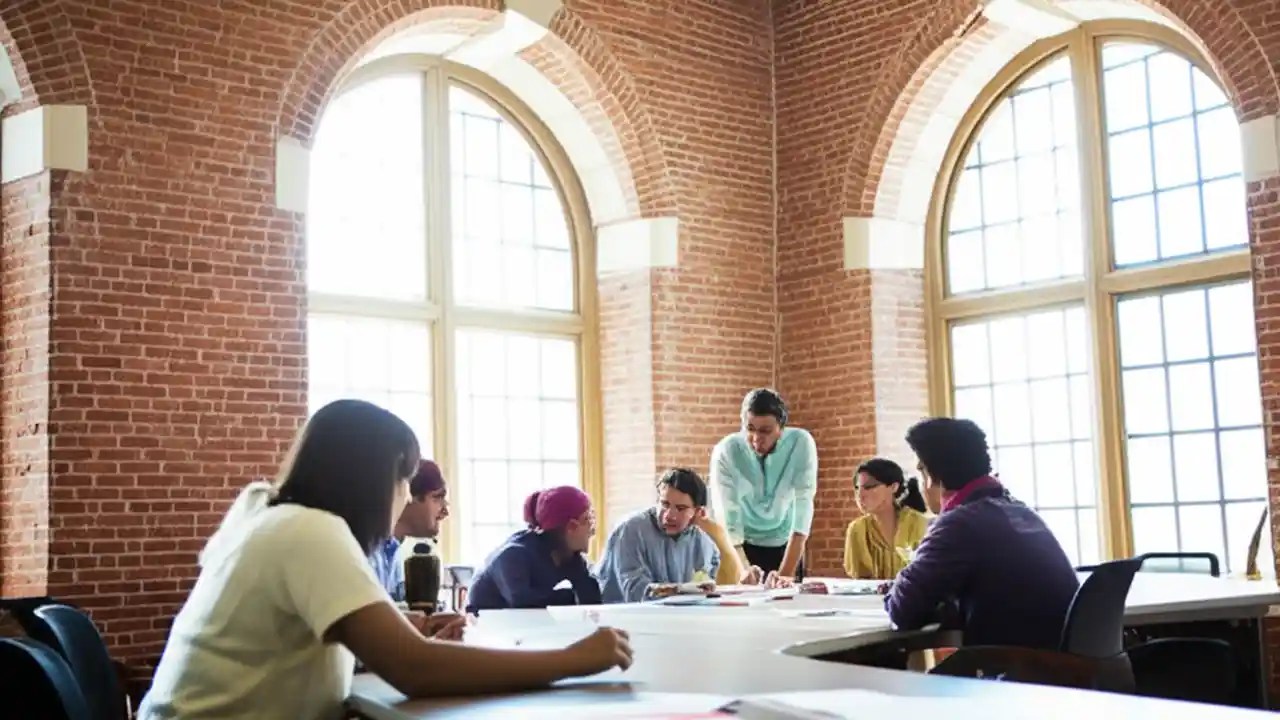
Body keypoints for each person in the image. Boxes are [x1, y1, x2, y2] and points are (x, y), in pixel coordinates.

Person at [138, 400, 631, 720]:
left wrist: (400, 623)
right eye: (405, 481)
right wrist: (573, 660)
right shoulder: (309, 531)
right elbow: (413, 670)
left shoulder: (270, 515)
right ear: (381, 479)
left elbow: (297, 637)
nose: (404, 496)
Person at [885, 418, 1080, 649]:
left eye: (921, 471)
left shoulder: (959, 524)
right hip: (1062, 666)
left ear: (933, 475)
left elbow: (902, 609)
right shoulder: (1017, 509)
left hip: (1015, 670)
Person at [709, 388, 817, 580]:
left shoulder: (801, 443)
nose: (757, 438)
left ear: (781, 428)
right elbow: (728, 516)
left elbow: (803, 508)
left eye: (766, 431)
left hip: (788, 543)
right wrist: (744, 569)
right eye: (750, 429)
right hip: (743, 544)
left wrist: (785, 575)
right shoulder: (726, 451)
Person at [466, 486, 603, 613]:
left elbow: (592, 601)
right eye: (588, 519)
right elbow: (524, 605)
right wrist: (572, 596)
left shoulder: (570, 557)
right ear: (571, 527)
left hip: (521, 631)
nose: (593, 530)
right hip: (482, 629)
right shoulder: (513, 555)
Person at [596, 468, 721, 603]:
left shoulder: (703, 541)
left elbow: (706, 589)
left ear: (698, 512)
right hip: (622, 618)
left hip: (677, 618)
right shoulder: (631, 530)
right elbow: (634, 592)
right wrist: (681, 590)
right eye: (664, 504)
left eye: (680, 509)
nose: (669, 516)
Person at [370, 459, 449, 601]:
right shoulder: (369, 556)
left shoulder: (396, 557)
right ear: (409, 496)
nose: (445, 511)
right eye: (437, 498)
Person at [844, 458, 930, 580]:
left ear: (893, 487)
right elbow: (859, 581)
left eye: (869, 487)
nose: (860, 495)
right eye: (857, 488)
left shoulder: (918, 524)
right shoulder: (857, 529)